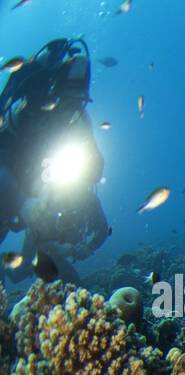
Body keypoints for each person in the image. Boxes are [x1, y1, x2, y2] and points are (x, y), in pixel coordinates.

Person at [0, 38, 110, 283]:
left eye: (77, 103)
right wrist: (22, 204)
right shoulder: (24, 112)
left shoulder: (79, 119)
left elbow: (93, 167)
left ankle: (31, 263)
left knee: (27, 268)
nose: (69, 111)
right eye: (65, 102)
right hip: (12, 182)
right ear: (52, 94)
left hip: (47, 189)